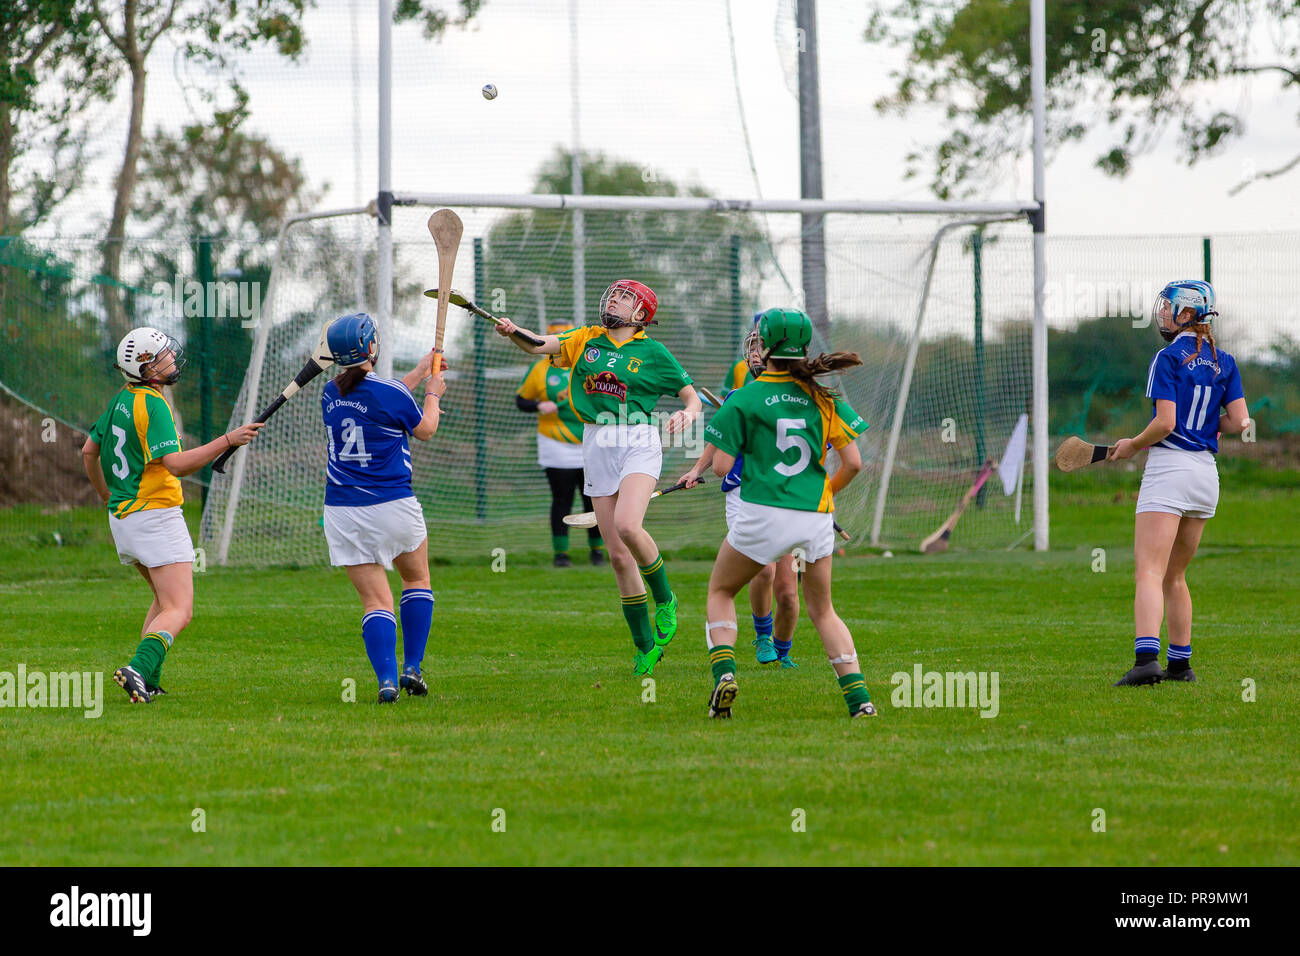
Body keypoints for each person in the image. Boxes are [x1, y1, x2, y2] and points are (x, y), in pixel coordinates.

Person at [493, 279, 702, 675]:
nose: (615, 301)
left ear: (641, 315)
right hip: (596, 443)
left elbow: (690, 396)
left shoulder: (653, 352)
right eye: (615, 295)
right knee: (619, 557)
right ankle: (644, 647)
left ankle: (666, 600)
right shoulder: (587, 338)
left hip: (638, 440)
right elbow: (539, 344)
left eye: (625, 298)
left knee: (627, 525)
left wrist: (687, 414)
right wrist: (511, 330)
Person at [695, 308, 873, 719]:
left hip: (761, 514)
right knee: (824, 611)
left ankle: (724, 675)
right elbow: (854, 463)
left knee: (721, 592)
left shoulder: (746, 397)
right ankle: (860, 701)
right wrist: (823, 491)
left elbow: (721, 468)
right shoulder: (823, 396)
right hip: (815, 517)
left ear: (766, 346)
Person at [82, 327, 264, 703]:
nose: (171, 359)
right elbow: (177, 465)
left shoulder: (120, 400)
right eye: (163, 354)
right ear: (147, 367)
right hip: (156, 517)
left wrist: (106, 496)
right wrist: (228, 440)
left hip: (124, 519)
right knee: (180, 610)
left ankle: (147, 679)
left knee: (164, 603)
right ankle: (136, 667)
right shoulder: (153, 403)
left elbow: (88, 450)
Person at [1111, 280, 1249, 686]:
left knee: (1149, 573)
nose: (1163, 314)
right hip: (1206, 475)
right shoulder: (1224, 360)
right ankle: (1180, 665)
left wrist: (1132, 445)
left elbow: (1166, 423)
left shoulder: (1167, 357)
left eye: (1169, 307)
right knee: (1175, 574)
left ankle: (1145, 662)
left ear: (1188, 313)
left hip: (1170, 469)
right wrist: (1209, 425)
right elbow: (1241, 423)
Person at [319, 313, 447, 703]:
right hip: (394, 506)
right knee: (416, 580)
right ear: (371, 347)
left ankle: (387, 681)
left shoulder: (329, 392)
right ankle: (413, 667)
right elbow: (423, 428)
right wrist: (433, 392)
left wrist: (420, 369)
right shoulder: (391, 395)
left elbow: (384, 400)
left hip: (342, 512)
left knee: (375, 602)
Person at [682, 321, 801, 668]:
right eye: (752, 348)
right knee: (761, 571)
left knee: (789, 593)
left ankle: (783, 649)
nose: (755, 354)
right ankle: (763, 638)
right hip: (744, 494)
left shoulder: (799, 400)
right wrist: (695, 469)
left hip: (787, 498)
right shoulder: (737, 398)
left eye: (761, 347)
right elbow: (719, 444)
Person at [514, 318, 605, 567]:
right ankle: (561, 555)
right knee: (562, 497)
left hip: (591, 439)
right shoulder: (539, 370)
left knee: (594, 497)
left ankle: (598, 552)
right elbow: (521, 401)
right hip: (555, 442)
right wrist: (538, 405)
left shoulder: (589, 365)